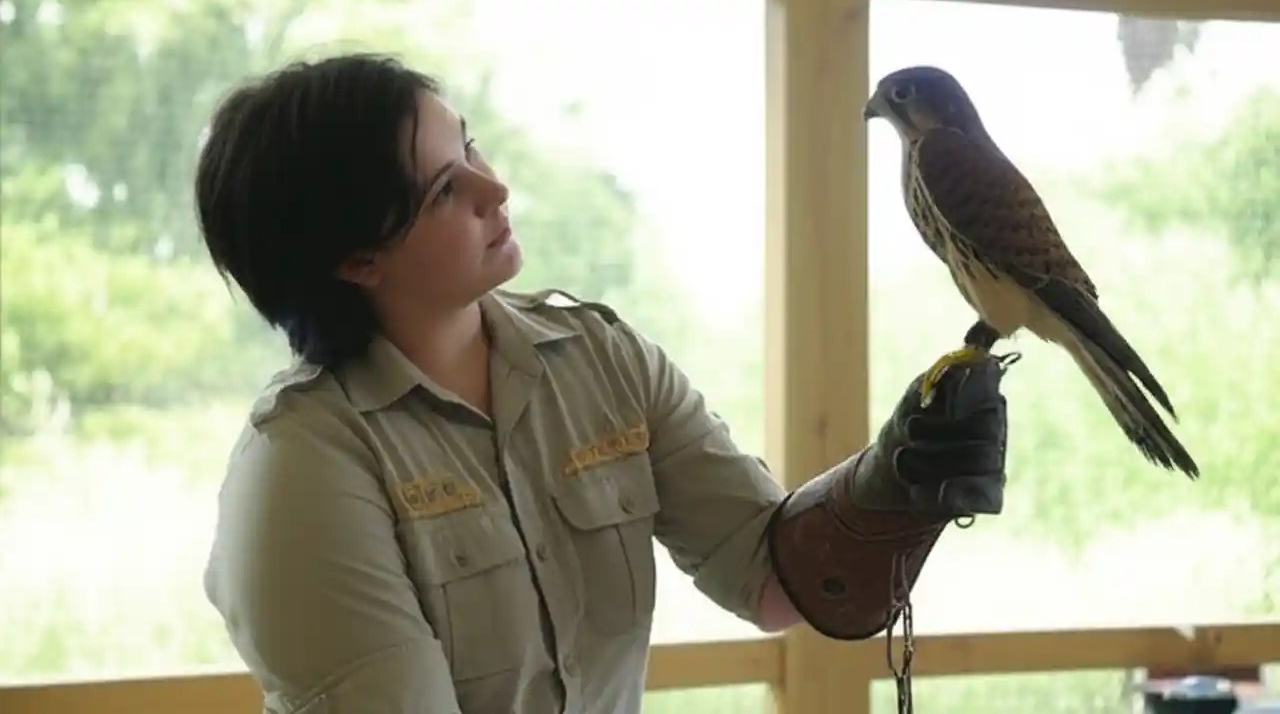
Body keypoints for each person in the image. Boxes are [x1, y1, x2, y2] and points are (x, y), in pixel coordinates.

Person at [196, 52, 1012, 714]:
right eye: (446, 190)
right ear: (356, 260)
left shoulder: (601, 360)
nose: (495, 188)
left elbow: (774, 581)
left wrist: (899, 483)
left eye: (470, 147)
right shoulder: (301, 466)